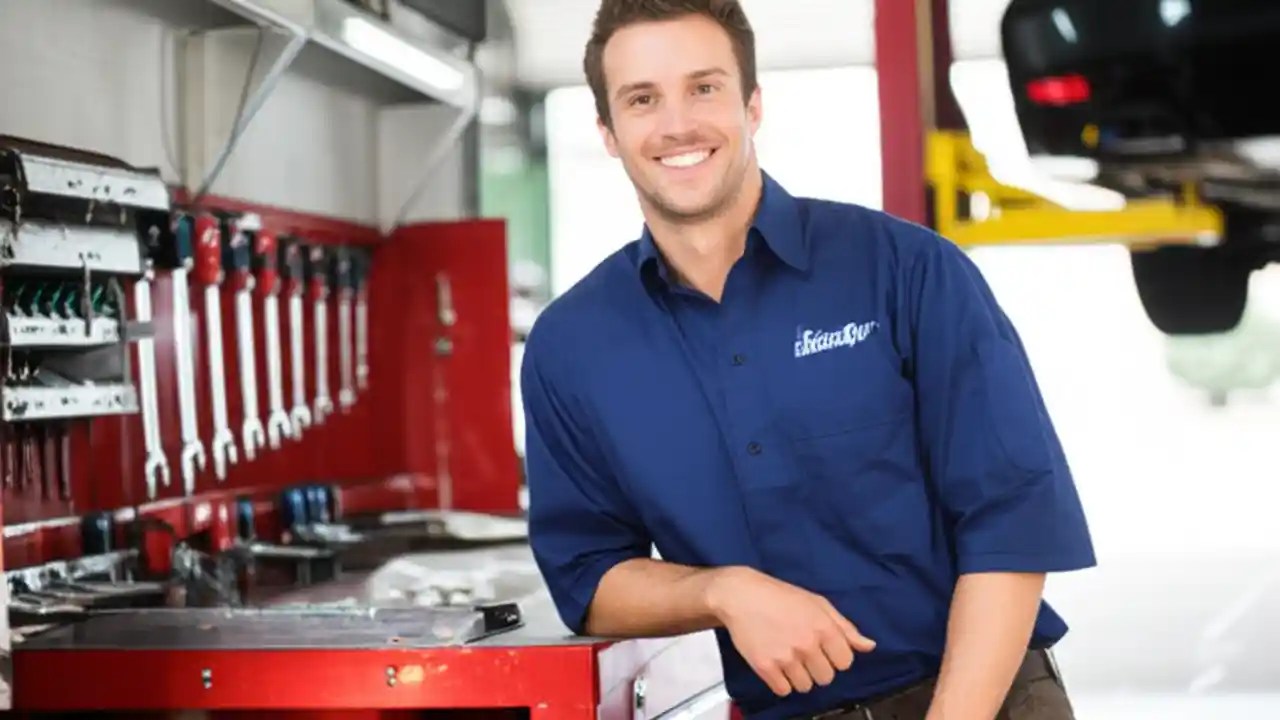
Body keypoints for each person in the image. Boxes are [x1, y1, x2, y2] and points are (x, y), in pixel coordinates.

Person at [519, 1, 1097, 718]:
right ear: (607, 131)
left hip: (985, 701)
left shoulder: (907, 271)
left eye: (705, 87)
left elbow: (1012, 523)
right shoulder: (572, 347)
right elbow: (588, 577)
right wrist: (722, 591)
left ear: (752, 104)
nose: (677, 124)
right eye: (643, 99)